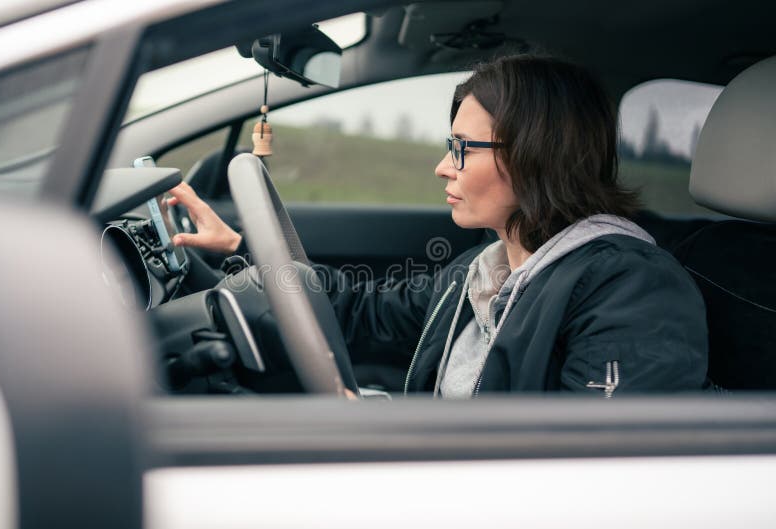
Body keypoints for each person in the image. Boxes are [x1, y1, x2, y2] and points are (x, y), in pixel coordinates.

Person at [167, 55, 708, 397]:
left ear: (535, 155)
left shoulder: (632, 291)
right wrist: (241, 248)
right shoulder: (480, 273)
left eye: (460, 148)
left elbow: (597, 469)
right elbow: (364, 310)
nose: (443, 166)